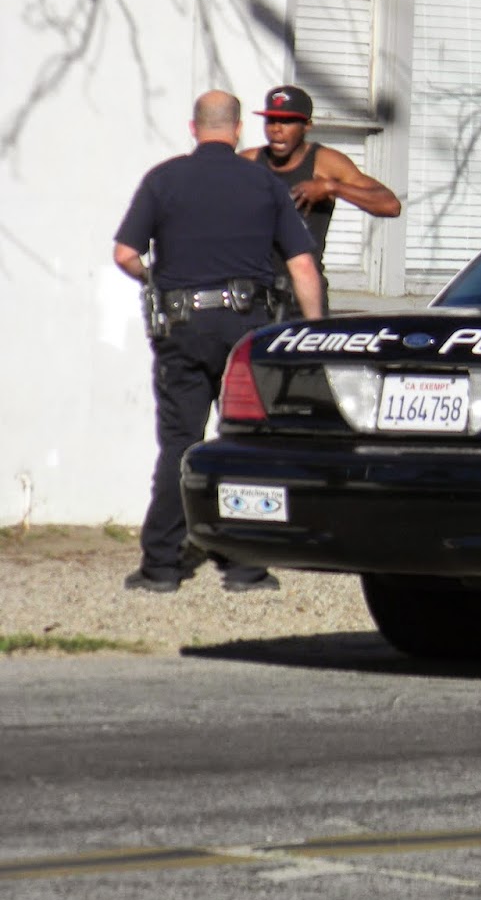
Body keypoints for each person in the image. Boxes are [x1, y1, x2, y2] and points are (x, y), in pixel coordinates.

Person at [113, 90, 326, 594]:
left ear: (194, 129)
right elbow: (302, 266)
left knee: (180, 444)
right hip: (246, 331)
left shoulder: (162, 180)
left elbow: (124, 253)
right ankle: (246, 566)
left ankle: (162, 566)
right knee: (248, 442)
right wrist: (312, 332)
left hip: (182, 330)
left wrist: (154, 280)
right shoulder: (263, 182)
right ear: (237, 132)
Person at [240, 85, 401, 316]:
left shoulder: (324, 163)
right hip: (253, 292)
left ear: (307, 126)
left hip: (303, 295)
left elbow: (390, 205)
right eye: (271, 121)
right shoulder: (249, 162)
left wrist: (332, 187)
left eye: (286, 122)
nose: (276, 129)